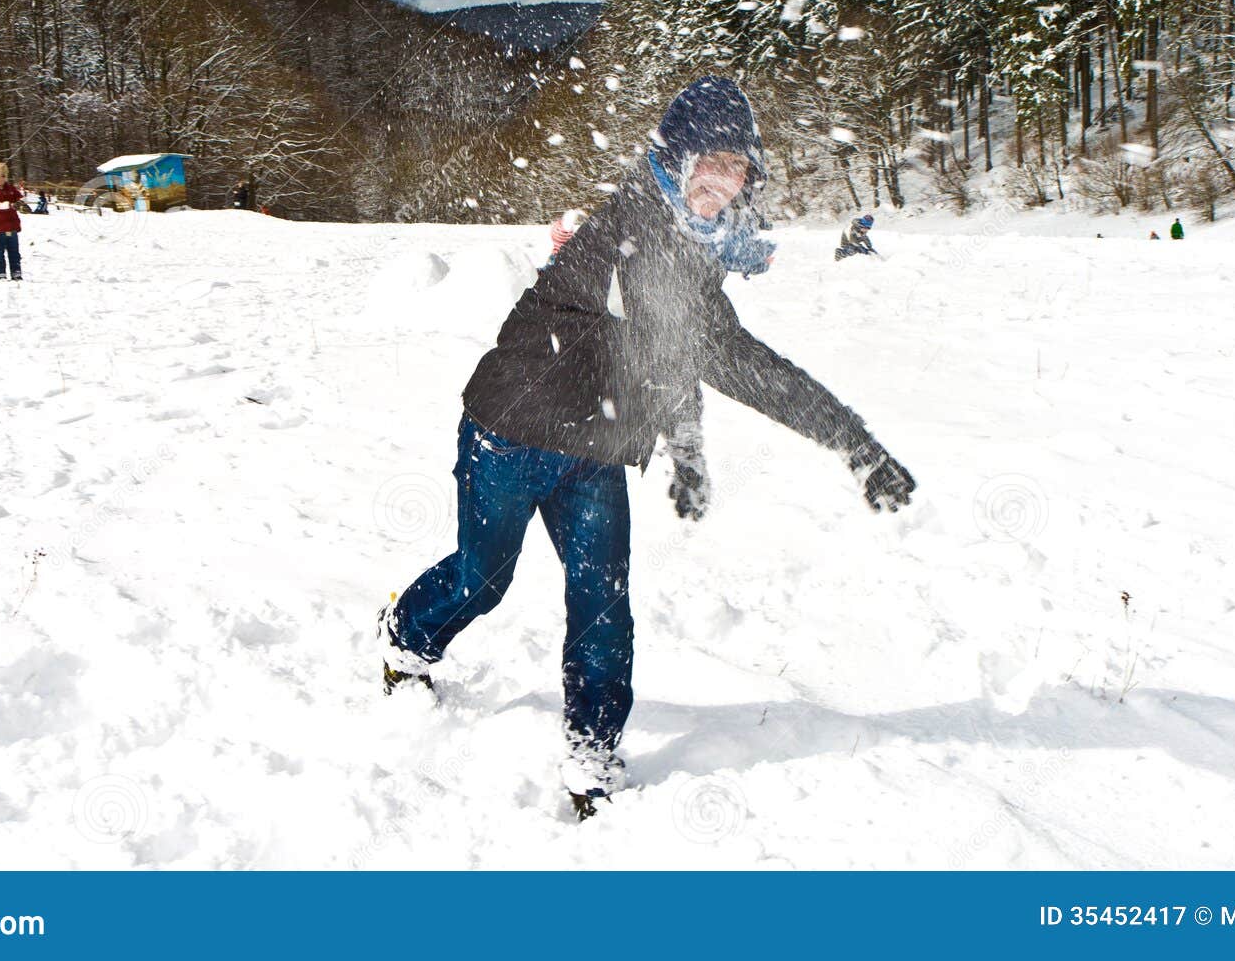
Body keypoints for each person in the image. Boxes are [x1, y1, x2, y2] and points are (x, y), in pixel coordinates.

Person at [378, 77, 916, 818]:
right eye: (708, 162)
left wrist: (695, 453)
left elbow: (670, 356)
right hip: (509, 429)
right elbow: (724, 357)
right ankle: (407, 637)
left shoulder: (690, 249)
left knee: (603, 603)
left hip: (595, 447)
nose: (721, 182)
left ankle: (592, 750)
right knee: (484, 576)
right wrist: (850, 442)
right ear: (673, 158)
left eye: (737, 168)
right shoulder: (636, 225)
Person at [550, 207, 711, 520]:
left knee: (668, 378)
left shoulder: (648, 238)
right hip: (604, 345)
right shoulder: (593, 247)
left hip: (641, 332)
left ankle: (685, 455)